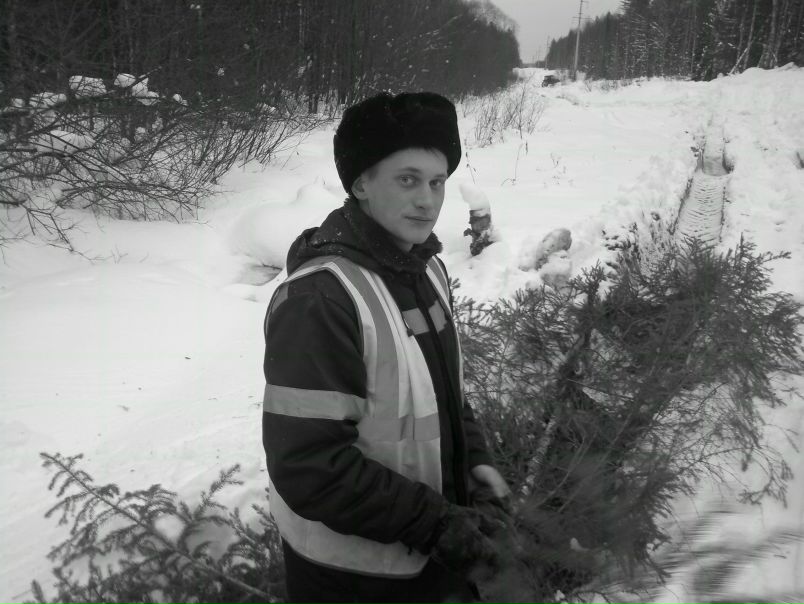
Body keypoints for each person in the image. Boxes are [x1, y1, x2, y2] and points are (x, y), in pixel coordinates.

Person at [262, 91, 511, 604]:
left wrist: (474, 460)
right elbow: (308, 465)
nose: (428, 200)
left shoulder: (426, 268)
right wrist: (436, 523)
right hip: (351, 580)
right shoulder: (320, 299)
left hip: (428, 563)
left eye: (437, 182)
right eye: (407, 180)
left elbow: (440, 396)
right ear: (360, 184)